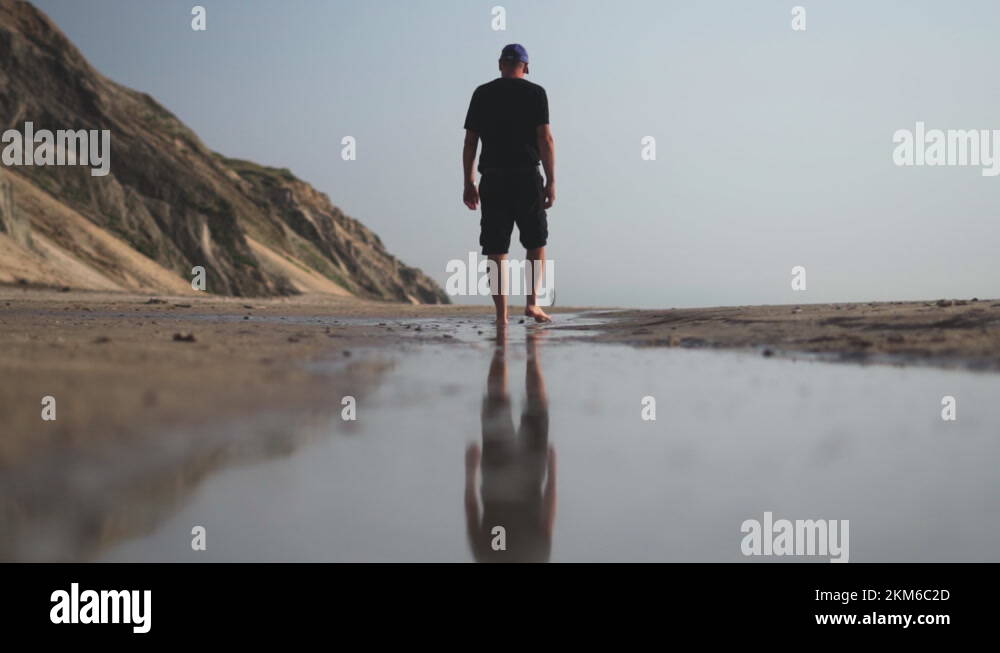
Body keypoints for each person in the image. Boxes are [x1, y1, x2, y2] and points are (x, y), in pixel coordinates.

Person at [462, 43, 556, 326]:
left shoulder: (482, 93)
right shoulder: (536, 93)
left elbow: (470, 141)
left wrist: (469, 181)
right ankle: (532, 304)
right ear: (525, 67)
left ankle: (501, 314)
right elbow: (546, 140)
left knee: (496, 247)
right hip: (526, 175)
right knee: (536, 240)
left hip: (493, 177)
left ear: (500, 64)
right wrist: (551, 181)